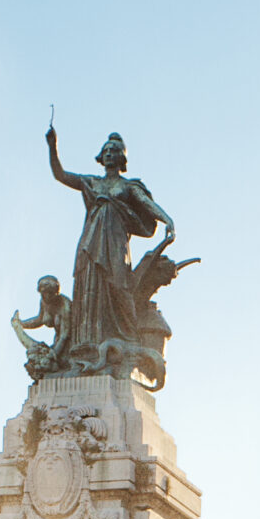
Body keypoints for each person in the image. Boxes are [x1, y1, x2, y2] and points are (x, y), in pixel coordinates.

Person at [46, 126, 172, 379]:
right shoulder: (91, 182)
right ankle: (85, 349)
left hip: (115, 246)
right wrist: (52, 146)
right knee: (88, 289)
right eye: (106, 150)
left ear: (122, 159)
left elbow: (147, 204)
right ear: (101, 157)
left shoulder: (128, 186)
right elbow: (59, 175)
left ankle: (126, 342)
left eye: (115, 151)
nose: (110, 154)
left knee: (117, 288)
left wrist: (167, 218)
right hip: (90, 244)